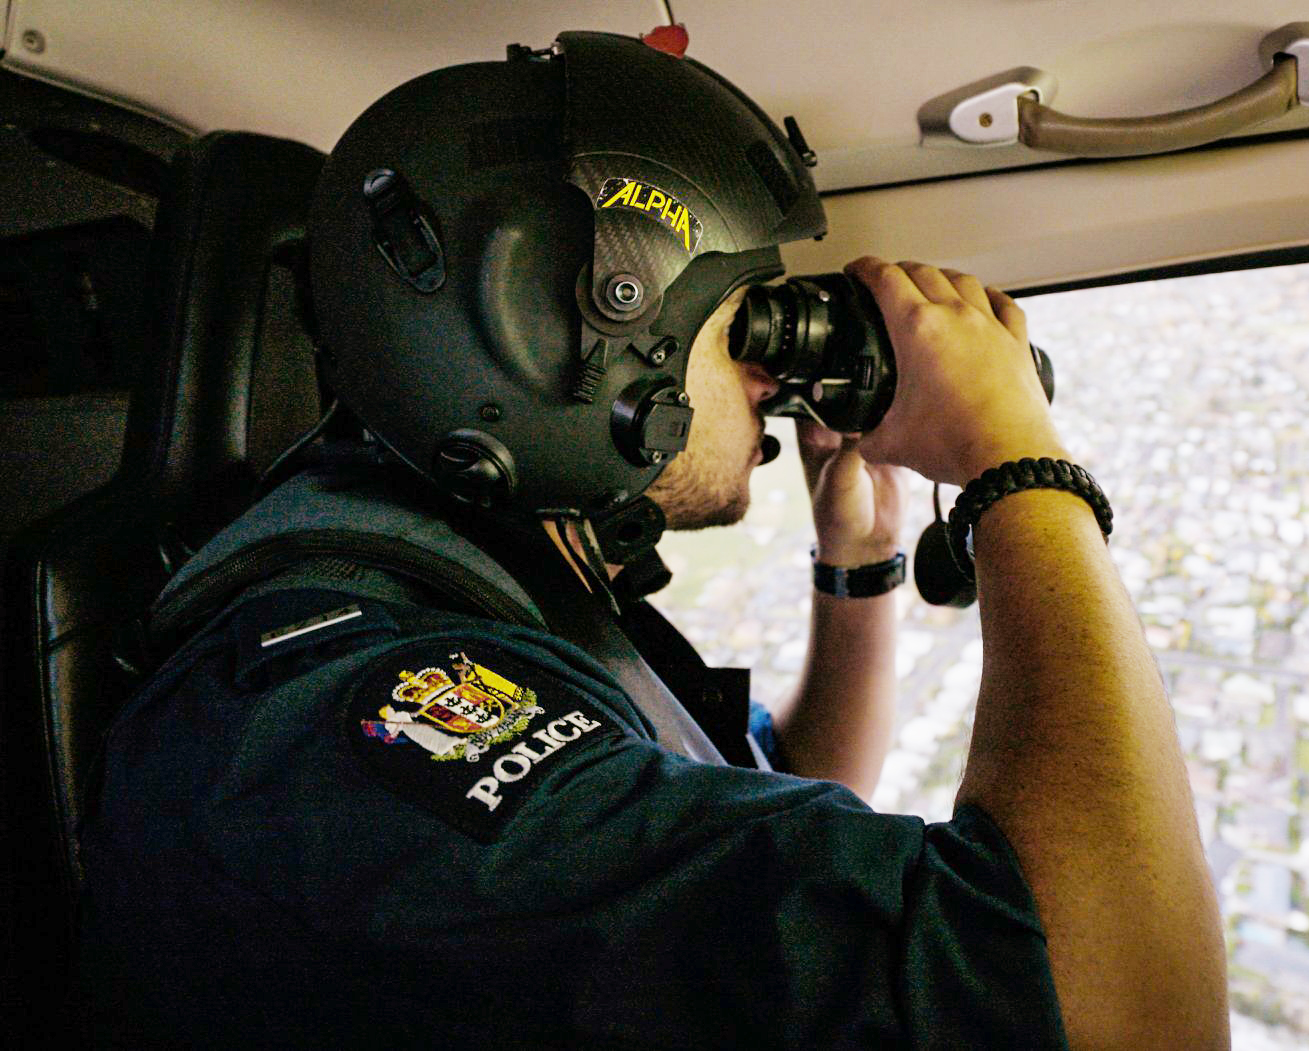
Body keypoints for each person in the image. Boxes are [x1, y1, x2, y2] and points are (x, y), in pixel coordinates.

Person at [78, 30, 1225, 1050]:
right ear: (552, 340)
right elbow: (1119, 1014)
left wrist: (858, 563)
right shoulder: (348, 733)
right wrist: (1018, 468)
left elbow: (775, 804)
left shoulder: (493, 592)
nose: (774, 373)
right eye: (743, 325)